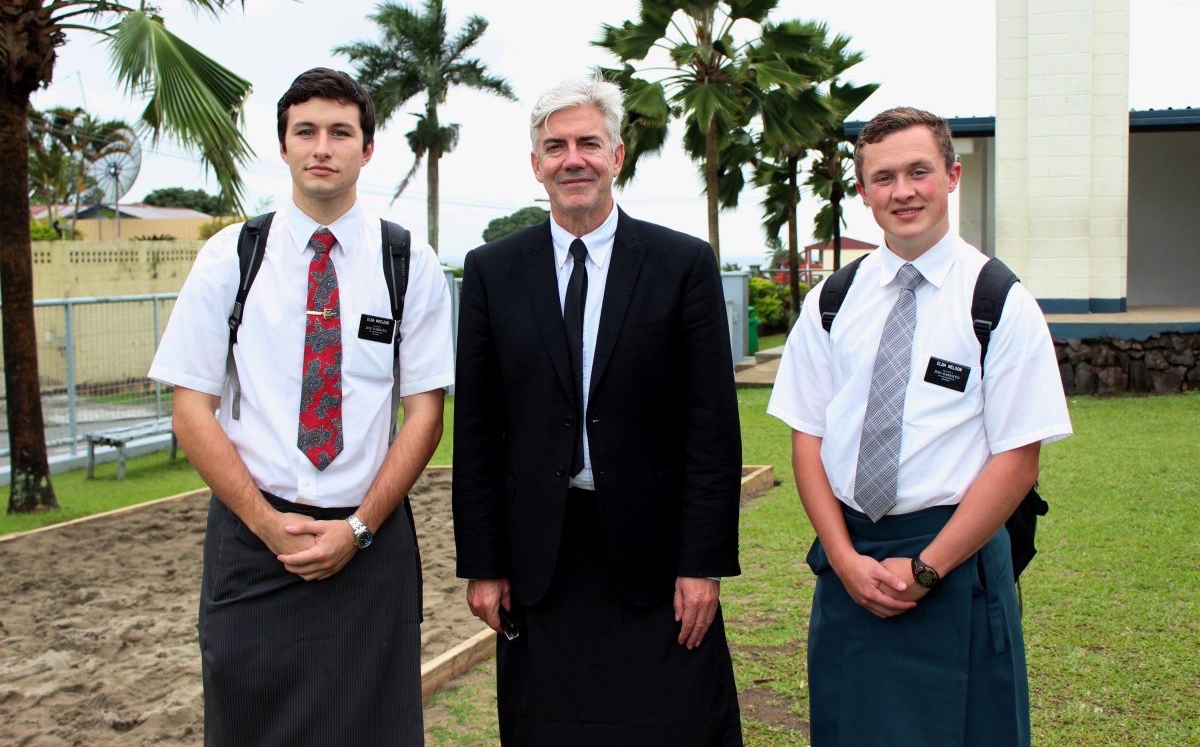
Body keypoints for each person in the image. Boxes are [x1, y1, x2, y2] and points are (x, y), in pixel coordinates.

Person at [148, 67, 454, 746]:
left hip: (369, 547)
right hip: (253, 546)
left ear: (367, 150)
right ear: (282, 146)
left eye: (341, 132)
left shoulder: (410, 262)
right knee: (247, 726)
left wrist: (360, 529)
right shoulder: (231, 257)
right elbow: (191, 409)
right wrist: (262, 521)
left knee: (375, 729)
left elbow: (425, 414)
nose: (322, 146)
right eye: (305, 131)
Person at [452, 76, 744, 746]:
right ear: (536, 165)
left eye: (589, 142)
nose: (572, 159)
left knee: (673, 727)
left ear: (617, 155)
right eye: (555, 147)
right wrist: (484, 562)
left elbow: (711, 431)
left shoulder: (682, 265)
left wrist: (703, 564)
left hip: (656, 557)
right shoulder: (493, 272)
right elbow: (477, 432)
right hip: (541, 562)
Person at [767, 106, 1072, 746]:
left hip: (954, 564)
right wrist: (845, 561)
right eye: (883, 177)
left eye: (918, 171)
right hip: (851, 564)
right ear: (862, 191)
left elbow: (1019, 459)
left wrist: (928, 569)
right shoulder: (831, 301)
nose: (902, 191)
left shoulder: (998, 301)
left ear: (952, 175)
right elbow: (807, 438)